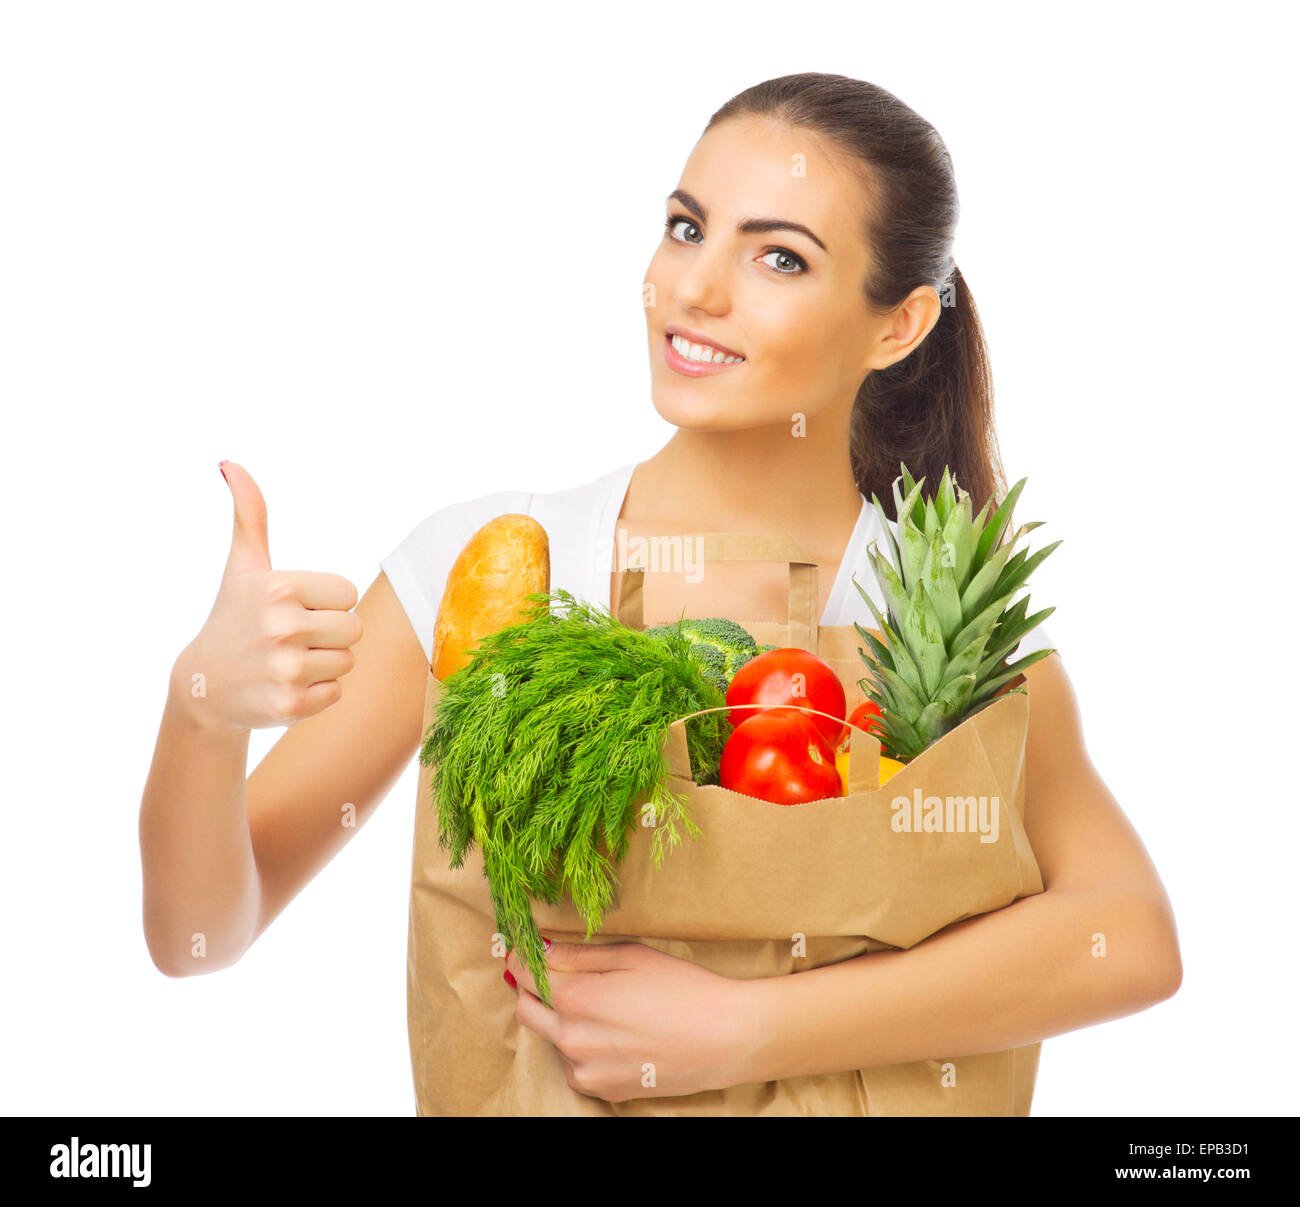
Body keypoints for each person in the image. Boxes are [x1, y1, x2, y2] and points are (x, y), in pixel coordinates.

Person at [139, 71, 1181, 1110]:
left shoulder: (940, 624)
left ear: (898, 325)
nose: (696, 289)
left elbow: (1127, 935)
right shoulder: (497, 567)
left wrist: (746, 1030)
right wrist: (203, 708)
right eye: (687, 228)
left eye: (778, 256)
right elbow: (199, 934)